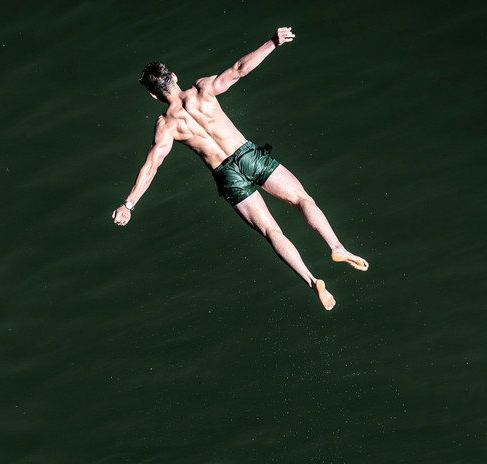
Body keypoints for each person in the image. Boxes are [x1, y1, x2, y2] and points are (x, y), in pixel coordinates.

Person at [112, 26, 368, 310]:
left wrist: (129, 204)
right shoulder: (202, 89)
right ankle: (336, 247)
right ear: (173, 77)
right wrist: (272, 42)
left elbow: (152, 165)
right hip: (247, 155)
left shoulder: (166, 125)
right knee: (302, 200)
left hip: (226, 175)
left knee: (272, 232)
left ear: (152, 95)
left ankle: (312, 280)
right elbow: (238, 70)